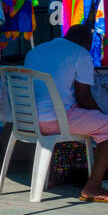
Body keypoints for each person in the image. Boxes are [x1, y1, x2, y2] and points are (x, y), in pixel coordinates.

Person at [23, 22, 108, 202]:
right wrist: (102, 117)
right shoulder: (80, 53)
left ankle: (52, 177)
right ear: (86, 42)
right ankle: (92, 187)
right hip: (55, 121)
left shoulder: (35, 51)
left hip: (28, 120)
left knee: (72, 113)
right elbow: (83, 97)